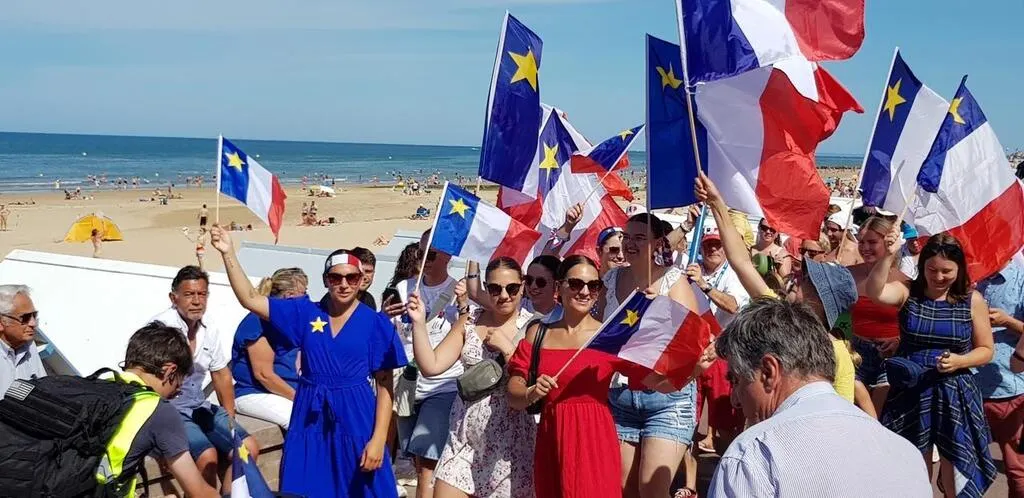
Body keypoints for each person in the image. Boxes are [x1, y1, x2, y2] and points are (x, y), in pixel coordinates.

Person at [212, 228, 407, 497]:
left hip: (357, 412)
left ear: (362, 280)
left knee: (365, 487)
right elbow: (250, 298)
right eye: (336, 277)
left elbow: (385, 388)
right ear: (326, 280)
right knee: (308, 486)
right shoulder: (306, 312)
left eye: (352, 277)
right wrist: (228, 252)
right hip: (310, 415)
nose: (344, 284)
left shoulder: (376, 324)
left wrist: (377, 440)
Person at [707, 298, 931, 497]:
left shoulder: (753, 454)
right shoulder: (906, 454)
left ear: (768, 372)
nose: (735, 399)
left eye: (736, 380)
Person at [507, 255, 688, 498]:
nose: (585, 292)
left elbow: (658, 384)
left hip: (593, 437)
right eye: (576, 284)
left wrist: (695, 367)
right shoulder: (538, 333)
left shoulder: (610, 337)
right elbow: (514, 393)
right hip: (551, 437)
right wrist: (530, 392)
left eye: (593, 286)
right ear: (559, 286)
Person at [694, 172, 857, 403]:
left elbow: (841, 418)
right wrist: (717, 203)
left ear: (819, 301)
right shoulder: (778, 313)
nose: (797, 276)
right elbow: (741, 262)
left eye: (807, 280)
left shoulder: (837, 353)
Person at [866, 232, 996, 498]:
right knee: (913, 465)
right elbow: (875, 291)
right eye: (931, 269)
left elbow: (986, 350)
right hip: (910, 390)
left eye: (946, 271)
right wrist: (889, 253)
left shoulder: (972, 301)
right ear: (922, 266)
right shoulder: (907, 292)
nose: (938, 277)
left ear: (959, 269)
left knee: (955, 469)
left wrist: (961, 360)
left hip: (954, 391)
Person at [408, 257, 536, 498]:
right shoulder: (469, 321)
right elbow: (431, 366)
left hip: (511, 445)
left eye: (512, 288)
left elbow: (533, 384)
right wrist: (418, 323)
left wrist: (508, 350)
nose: (504, 295)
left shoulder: (534, 327)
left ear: (523, 285)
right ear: (486, 288)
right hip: (464, 438)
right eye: (496, 288)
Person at [601, 213, 701, 498]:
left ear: (657, 242)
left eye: (639, 238)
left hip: (667, 399)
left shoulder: (672, 280)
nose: (630, 243)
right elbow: (594, 331)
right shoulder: (610, 278)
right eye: (626, 236)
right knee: (625, 489)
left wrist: (659, 311)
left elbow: (693, 342)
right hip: (620, 398)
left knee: (652, 489)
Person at [149, 265, 258, 492]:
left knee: (247, 448)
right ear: (174, 297)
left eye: (202, 294)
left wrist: (228, 417)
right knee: (207, 457)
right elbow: (147, 381)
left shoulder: (210, 328)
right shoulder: (161, 328)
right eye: (189, 294)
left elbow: (220, 373)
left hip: (198, 404)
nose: (197, 301)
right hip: (168, 407)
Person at [393, 230, 464, 498]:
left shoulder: (457, 292)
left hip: (442, 386)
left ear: (448, 255)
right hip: (406, 384)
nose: (425, 259)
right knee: (414, 457)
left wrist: (466, 304)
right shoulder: (403, 288)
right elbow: (394, 331)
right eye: (420, 253)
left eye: (431, 254)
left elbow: (465, 334)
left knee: (427, 462)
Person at [113, 322, 220, 497]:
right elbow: (200, 492)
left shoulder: (102, 384)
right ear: (169, 371)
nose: (178, 391)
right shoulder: (158, 410)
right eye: (180, 382)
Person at [685, 230, 749, 455]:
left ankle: (727, 470)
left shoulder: (733, 273)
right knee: (687, 421)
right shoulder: (691, 268)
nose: (712, 249)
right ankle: (690, 484)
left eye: (717, 245)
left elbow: (733, 305)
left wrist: (704, 286)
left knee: (725, 424)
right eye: (708, 245)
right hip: (694, 352)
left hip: (722, 353)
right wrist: (686, 225)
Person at [232, 268, 307, 429]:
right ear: (290, 296)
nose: (307, 299)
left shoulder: (287, 322)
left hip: (287, 391)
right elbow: (264, 375)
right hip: (255, 393)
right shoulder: (257, 322)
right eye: (304, 293)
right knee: (299, 421)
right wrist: (302, 399)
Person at [844, 216, 905, 415]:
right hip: (855, 352)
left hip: (889, 355)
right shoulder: (847, 275)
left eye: (872, 242)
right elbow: (839, 315)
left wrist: (899, 340)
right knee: (853, 413)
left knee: (881, 417)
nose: (865, 248)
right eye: (861, 242)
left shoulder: (904, 281)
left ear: (888, 243)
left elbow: (911, 322)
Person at [976, 257, 1024, 498]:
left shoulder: (1021, 278)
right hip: (970, 384)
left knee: (1017, 468)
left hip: (1010, 389)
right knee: (963, 466)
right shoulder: (971, 278)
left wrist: (1008, 321)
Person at [0, 285, 45, 399]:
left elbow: (43, 390)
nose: (33, 323)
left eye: (34, 316)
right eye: (25, 318)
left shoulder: (28, 345)